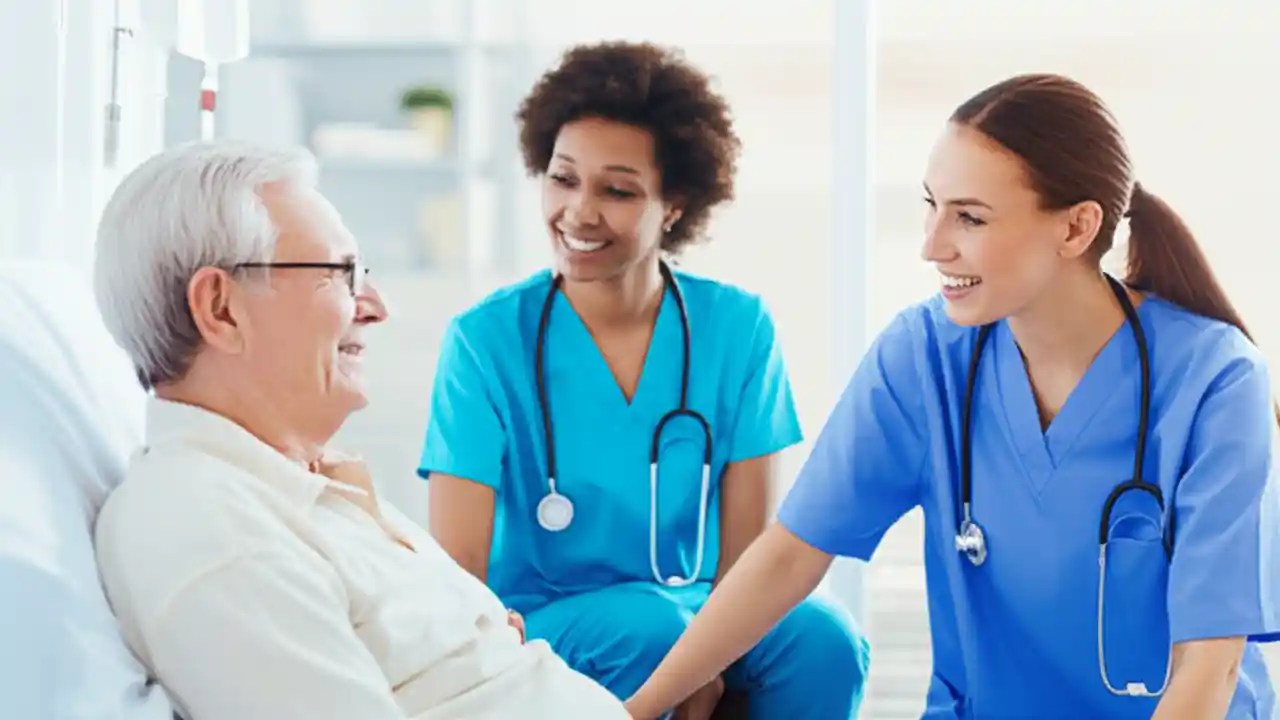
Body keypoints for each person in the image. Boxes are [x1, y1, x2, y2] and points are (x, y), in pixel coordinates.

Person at [624, 73, 1280, 719]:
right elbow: (792, 554)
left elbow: (1210, 663)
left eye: (969, 217)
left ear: (1076, 229)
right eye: (931, 206)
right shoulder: (925, 356)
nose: (933, 245)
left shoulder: (1215, 383)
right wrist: (634, 712)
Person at [91, 141, 630, 719]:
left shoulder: (301, 486)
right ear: (221, 309)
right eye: (340, 274)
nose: (375, 305)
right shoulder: (209, 528)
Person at [418, 41, 869, 719]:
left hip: (693, 607)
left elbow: (746, 560)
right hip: (543, 620)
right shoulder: (484, 342)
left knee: (826, 639)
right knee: (648, 628)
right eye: (563, 178)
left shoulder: (737, 327)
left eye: (618, 190)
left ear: (675, 204)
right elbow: (461, 576)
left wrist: (707, 657)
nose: (578, 212)